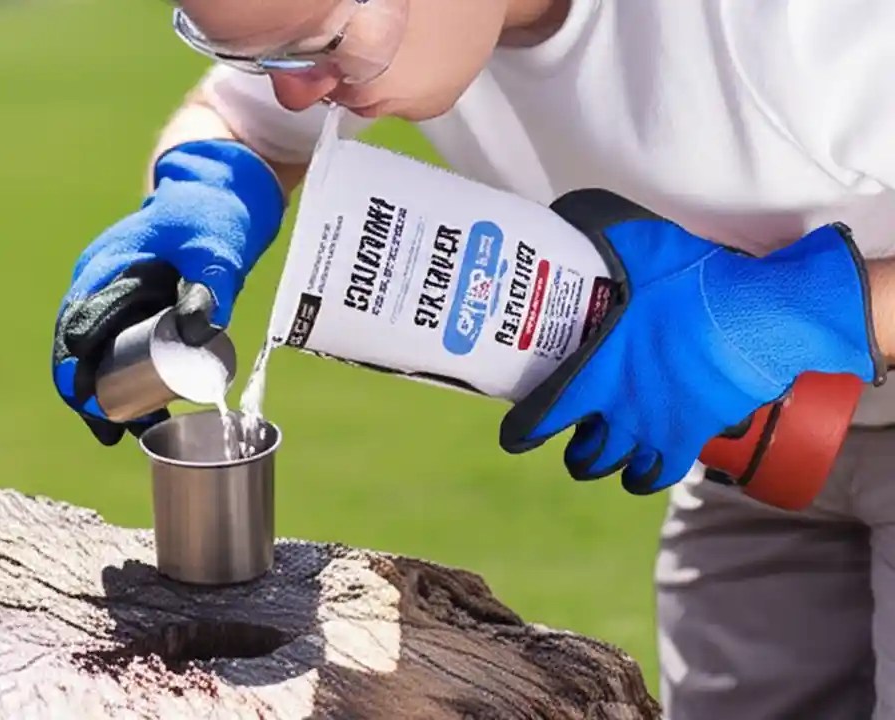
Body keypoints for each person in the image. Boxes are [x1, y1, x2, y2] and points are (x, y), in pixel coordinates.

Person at [51, 0, 895, 716]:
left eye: (321, 46)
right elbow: (241, 117)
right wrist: (203, 195)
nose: (295, 87)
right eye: (256, 53)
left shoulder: (792, 27)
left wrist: (806, 310)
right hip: (753, 445)